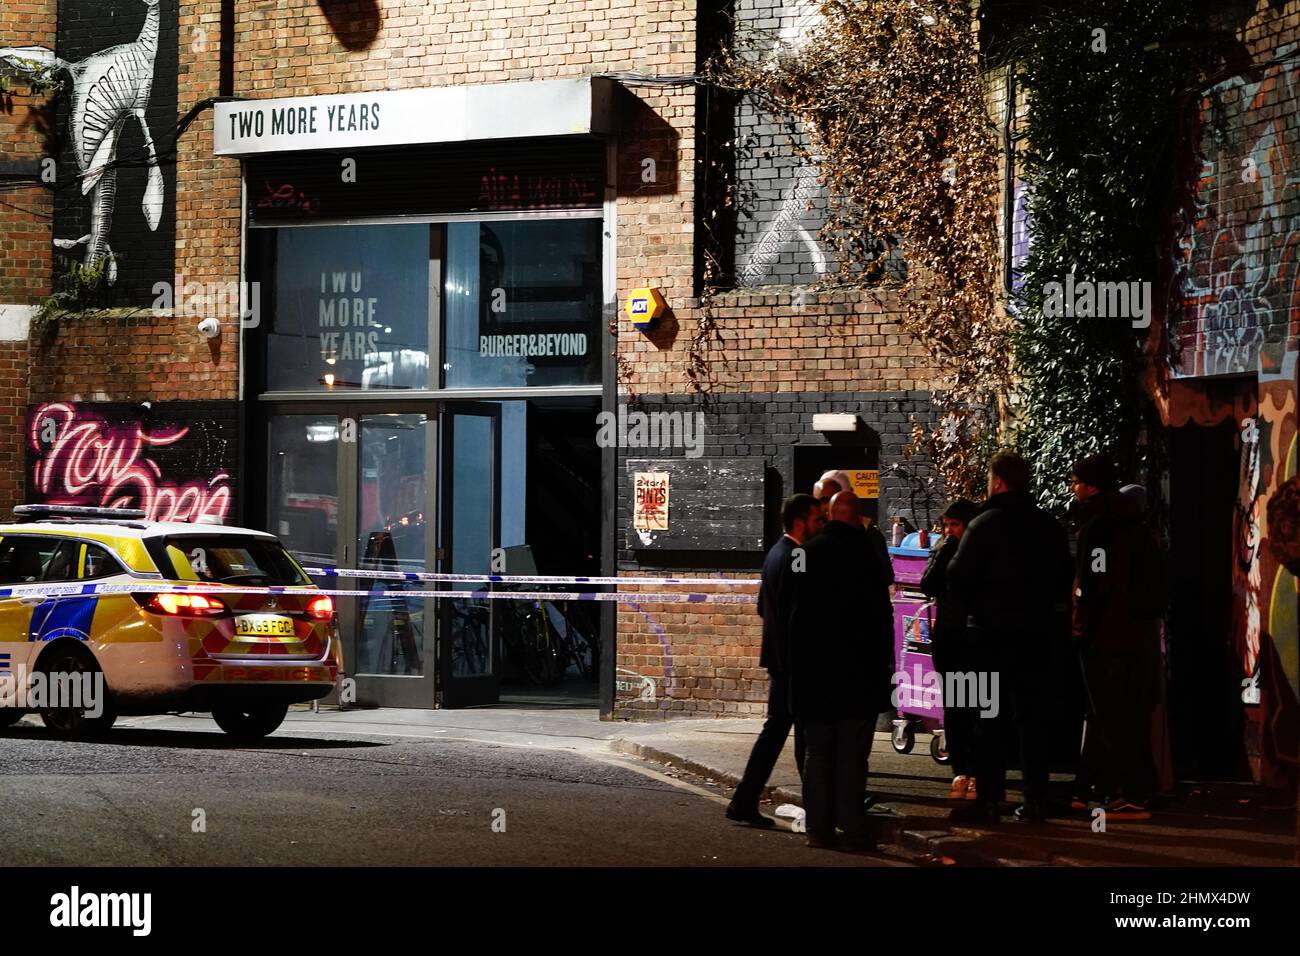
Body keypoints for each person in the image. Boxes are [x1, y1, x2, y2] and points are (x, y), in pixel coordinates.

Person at [947, 451, 1074, 824]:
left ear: (998, 481)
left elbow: (957, 578)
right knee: (1032, 719)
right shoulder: (1047, 526)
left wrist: (978, 607)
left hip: (989, 637)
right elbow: (1063, 576)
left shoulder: (983, 525)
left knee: (990, 720)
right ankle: (1034, 799)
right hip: (1036, 636)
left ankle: (989, 800)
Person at [787, 490, 894, 849]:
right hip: (858, 674)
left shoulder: (804, 553)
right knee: (852, 756)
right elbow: (882, 616)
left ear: (829, 515)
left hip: (814, 673)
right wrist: (885, 669)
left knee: (817, 753)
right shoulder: (870, 554)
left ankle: (818, 829)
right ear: (858, 517)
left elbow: (794, 614)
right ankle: (852, 829)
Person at [1069, 455, 1165, 820]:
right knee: (1128, 715)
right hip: (1138, 634)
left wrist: (1082, 617)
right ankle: (1122, 788)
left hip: (1106, 637)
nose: (1073, 488)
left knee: (1111, 716)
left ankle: (1131, 794)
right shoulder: (1138, 526)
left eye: (1077, 482)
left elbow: (1095, 582)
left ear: (1092, 486)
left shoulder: (1098, 530)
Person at [726, 493, 824, 827]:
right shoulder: (797, 555)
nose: (820, 525)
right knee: (793, 734)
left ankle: (747, 799)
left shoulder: (775, 554)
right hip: (794, 662)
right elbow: (802, 609)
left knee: (791, 733)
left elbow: (761, 608)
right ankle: (751, 800)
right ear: (800, 522)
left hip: (780, 659)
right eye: (816, 519)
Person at [920, 497, 980, 800]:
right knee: (956, 707)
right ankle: (961, 770)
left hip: (975, 638)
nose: (949, 531)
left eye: (955, 525)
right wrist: (943, 553)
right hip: (950, 638)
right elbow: (927, 584)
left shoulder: (982, 552)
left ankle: (978, 772)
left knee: (979, 706)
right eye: (947, 525)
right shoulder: (943, 549)